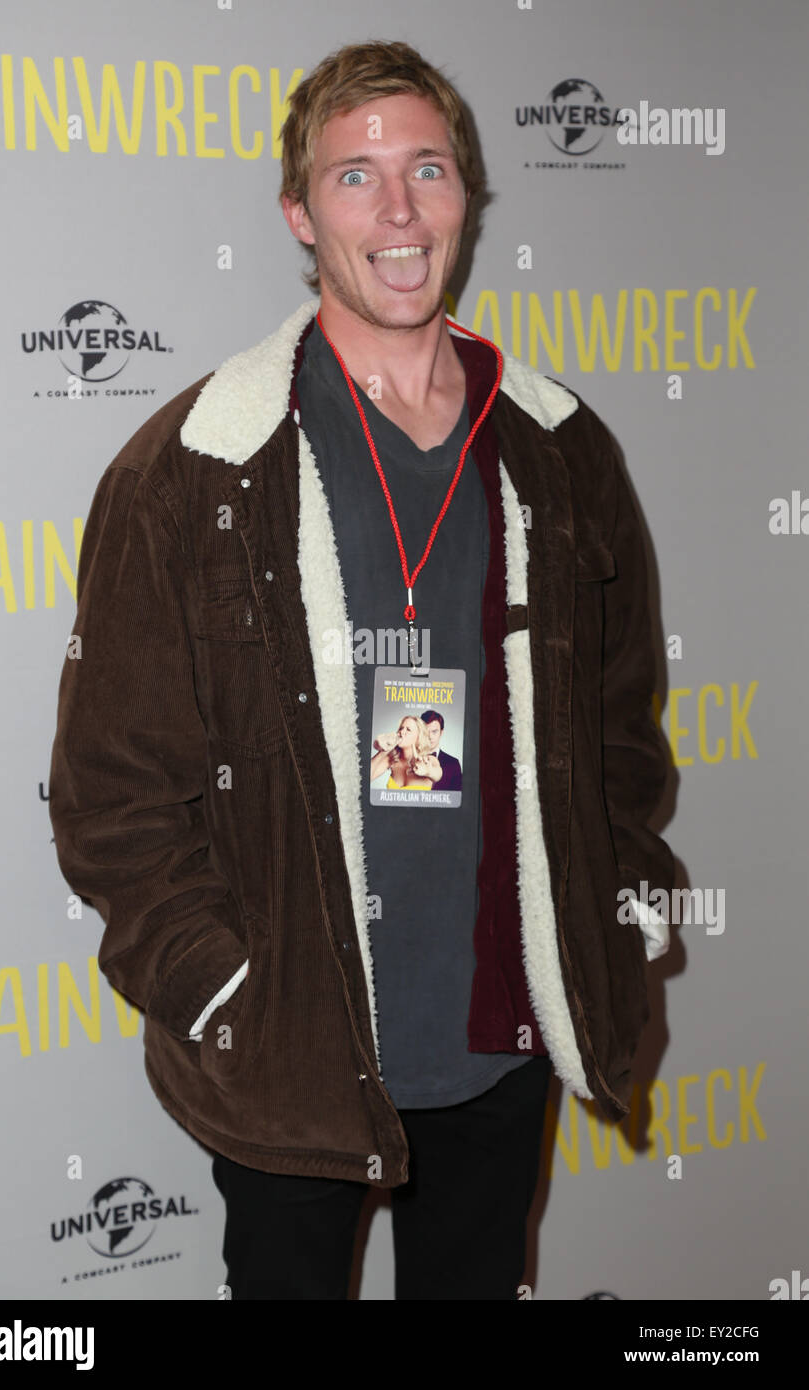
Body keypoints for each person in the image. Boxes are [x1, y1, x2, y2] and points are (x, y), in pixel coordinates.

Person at [49, 39, 675, 1300]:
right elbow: (110, 794)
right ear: (298, 211)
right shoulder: (190, 467)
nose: (396, 210)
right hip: (289, 1047)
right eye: (354, 177)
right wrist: (224, 988)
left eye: (426, 170)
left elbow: (617, 733)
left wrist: (623, 901)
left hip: (498, 1031)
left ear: (465, 197)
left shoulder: (557, 451)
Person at [370, 714, 440, 788]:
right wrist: (383, 750)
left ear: (418, 737)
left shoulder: (428, 760)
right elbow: (366, 777)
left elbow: (437, 775)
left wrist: (428, 771)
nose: (402, 732)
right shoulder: (392, 760)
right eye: (401, 728)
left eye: (408, 729)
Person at [420, 709, 462, 791]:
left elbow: (457, 797)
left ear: (441, 733)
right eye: (426, 731)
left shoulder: (453, 763)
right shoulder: (410, 760)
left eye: (434, 732)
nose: (430, 736)